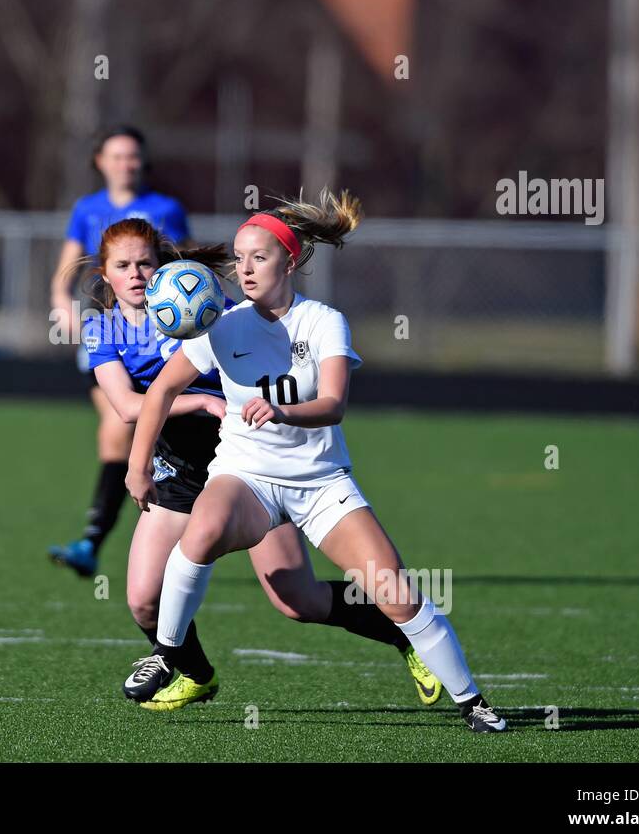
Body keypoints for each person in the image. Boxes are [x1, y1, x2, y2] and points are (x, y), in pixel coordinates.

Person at [125, 191, 508, 732]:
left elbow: (333, 405)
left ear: (292, 259)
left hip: (320, 483)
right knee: (204, 529)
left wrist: (281, 411)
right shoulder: (224, 326)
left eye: (258, 256)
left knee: (395, 593)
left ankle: (473, 702)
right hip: (247, 477)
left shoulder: (324, 321)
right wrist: (137, 467)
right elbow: (160, 393)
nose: (245, 268)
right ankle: (169, 654)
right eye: (239, 257)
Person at [77, 217, 443, 711]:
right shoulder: (104, 327)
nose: (137, 274)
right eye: (123, 266)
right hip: (181, 474)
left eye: (146, 262)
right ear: (105, 274)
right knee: (143, 598)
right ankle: (197, 675)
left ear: (163, 266)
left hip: (251, 467)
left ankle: (405, 636)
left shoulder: (212, 309)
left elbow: (279, 361)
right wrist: (198, 405)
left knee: (298, 601)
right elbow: (126, 406)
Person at [47, 125, 189, 577]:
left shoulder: (166, 208)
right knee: (117, 426)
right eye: (116, 156)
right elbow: (64, 274)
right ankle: (95, 540)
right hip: (110, 334)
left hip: (158, 332)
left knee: (142, 431)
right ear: (99, 161)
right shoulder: (87, 209)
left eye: (132, 156)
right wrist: (63, 309)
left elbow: (187, 270)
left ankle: (149, 527)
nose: (125, 164)